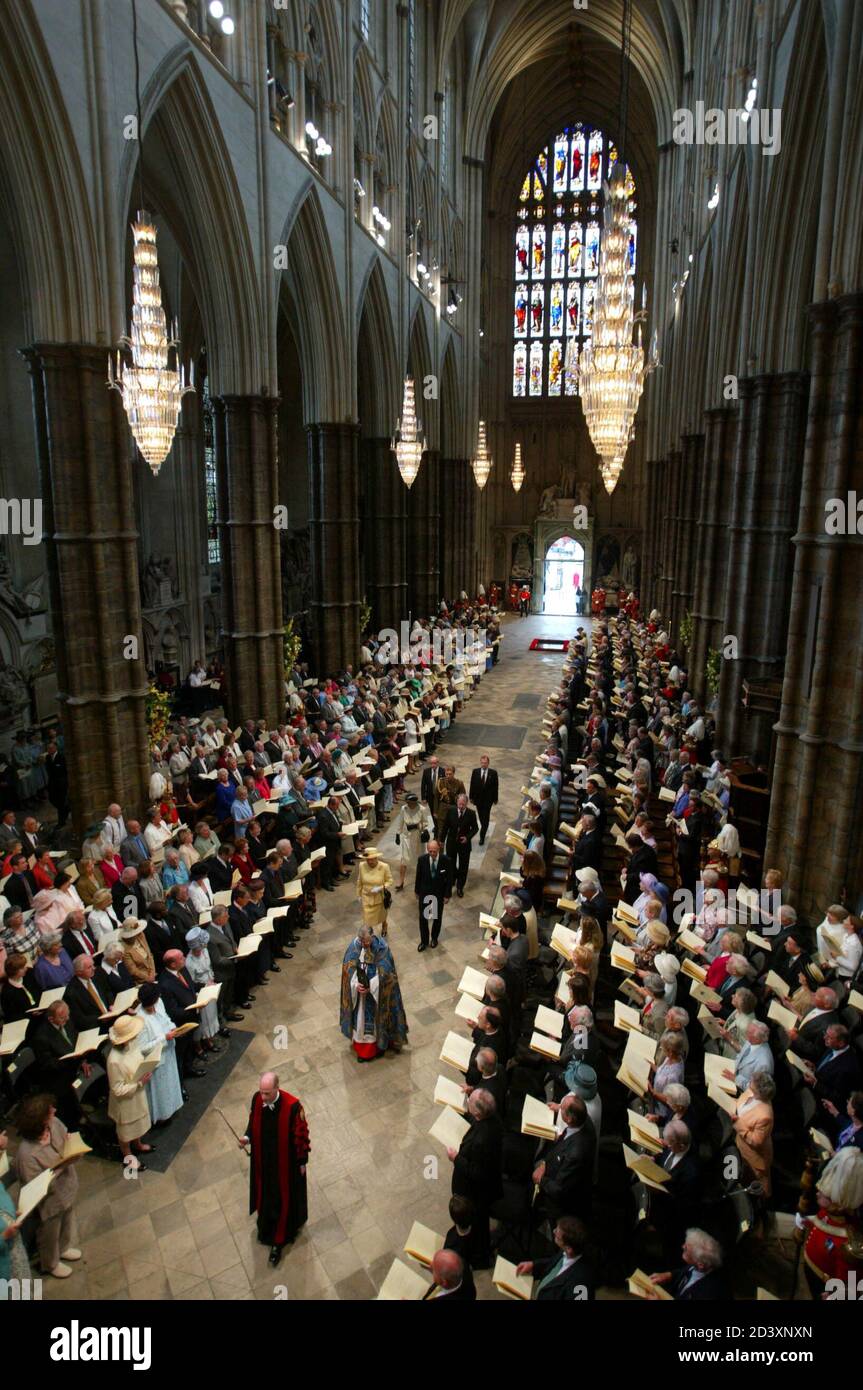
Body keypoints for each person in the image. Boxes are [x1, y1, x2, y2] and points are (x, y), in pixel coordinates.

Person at [239, 1071, 310, 1266]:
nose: (263, 1097)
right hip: (263, 1162)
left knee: (282, 1199)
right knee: (266, 1196)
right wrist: (247, 1137)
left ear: (277, 1088)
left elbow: (301, 1136)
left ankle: (279, 1241)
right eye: (261, 1092)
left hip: (284, 1166)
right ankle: (266, 1229)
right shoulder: (257, 1099)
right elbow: (252, 1121)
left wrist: (302, 1162)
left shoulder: (293, 1107)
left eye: (267, 1093)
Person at [14, 1095, 83, 1279]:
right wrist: (63, 1165)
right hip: (48, 1200)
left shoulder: (54, 1124)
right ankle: (50, 1263)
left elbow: (64, 1134)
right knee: (49, 1233)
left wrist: (71, 1144)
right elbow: (34, 1184)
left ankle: (64, 1248)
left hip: (66, 1186)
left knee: (67, 1220)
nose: (54, 1112)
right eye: (49, 1111)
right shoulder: (26, 1154)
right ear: (40, 1120)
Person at [446, 1089, 503, 1268]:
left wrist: (456, 1158)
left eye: (469, 1100)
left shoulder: (481, 1140)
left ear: (478, 1112)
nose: (467, 1100)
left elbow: (477, 1172)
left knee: (476, 1223)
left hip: (475, 1191)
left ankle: (479, 1257)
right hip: (486, 1183)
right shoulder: (493, 1119)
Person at [339, 924, 408, 1059]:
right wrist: (355, 984)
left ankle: (380, 1045)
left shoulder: (382, 949)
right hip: (360, 998)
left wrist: (372, 985)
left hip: (377, 996)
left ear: (372, 937)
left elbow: (388, 974)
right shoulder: (353, 948)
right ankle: (364, 1051)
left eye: (368, 941)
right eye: (363, 942)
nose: (365, 944)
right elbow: (348, 971)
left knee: (378, 1022)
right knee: (361, 1021)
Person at [106, 1012, 155, 1169]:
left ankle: (138, 1144)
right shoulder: (114, 1060)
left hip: (137, 1095)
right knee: (125, 1131)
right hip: (125, 1101)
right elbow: (117, 1089)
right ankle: (127, 1155)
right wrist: (139, 1084)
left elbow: (138, 1058)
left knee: (138, 1123)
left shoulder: (131, 1045)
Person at [137, 981, 185, 1125]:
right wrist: (164, 1037)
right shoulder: (141, 1019)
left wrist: (173, 1029)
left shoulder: (159, 1004)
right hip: (156, 1058)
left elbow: (166, 1019)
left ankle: (173, 1106)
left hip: (168, 1050)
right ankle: (161, 1116)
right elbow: (143, 1047)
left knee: (171, 1082)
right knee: (161, 1090)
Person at [516, 1215, 595, 1301]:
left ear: (569, 1249)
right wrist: (533, 1265)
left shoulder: (580, 1283)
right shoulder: (569, 1251)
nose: (553, 1231)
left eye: (557, 1235)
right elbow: (553, 1263)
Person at [648, 1229, 728, 1300]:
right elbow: (686, 1271)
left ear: (700, 1264)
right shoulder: (700, 1265)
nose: (682, 1246)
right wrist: (669, 1275)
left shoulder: (708, 1293)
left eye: (686, 1249)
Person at [732, 1069, 775, 1196]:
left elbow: (756, 1141)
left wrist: (737, 1123)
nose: (749, 1084)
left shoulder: (765, 1115)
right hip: (739, 1142)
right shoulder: (751, 1092)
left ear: (760, 1092)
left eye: (752, 1084)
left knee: (751, 1185)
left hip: (752, 1156)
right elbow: (739, 1104)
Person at [414, 839, 454, 952]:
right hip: (425, 893)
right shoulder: (422, 860)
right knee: (423, 918)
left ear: (439, 849)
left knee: (436, 917)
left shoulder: (446, 860)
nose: (432, 854)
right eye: (430, 851)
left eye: (434, 851)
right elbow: (418, 876)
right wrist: (417, 891)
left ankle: (434, 938)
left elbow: (449, 879)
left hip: (438, 894)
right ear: (427, 849)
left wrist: (447, 895)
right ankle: (424, 941)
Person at [392, 791, 433, 890]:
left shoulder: (422, 809)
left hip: (418, 837)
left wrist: (420, 827)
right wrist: (398, 834)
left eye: (412, 803)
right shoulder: (403, 809)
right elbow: (400, 821)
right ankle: (401, 881)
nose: (410, 805)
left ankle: (423, 880)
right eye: (409, 803)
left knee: (421, 859)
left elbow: (426, 823)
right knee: (404, 860)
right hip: (407, 837)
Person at [443, 793, 479, 898]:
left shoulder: (471, 814)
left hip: (464, 845)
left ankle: (460, 887)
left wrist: (467, 837)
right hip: (451, 843)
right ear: (457, 802)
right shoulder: (451, 810)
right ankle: (453, 879)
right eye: (459, 804)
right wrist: (441, 840)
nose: (461, 806)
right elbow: (446, 826)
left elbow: (475, 828)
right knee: (451, 864)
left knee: (463, 867)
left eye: (463, 804)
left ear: (466, 803)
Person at [356, 846, 393, 936]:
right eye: (367, 859)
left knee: (382, 915)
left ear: (376, 857)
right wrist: (359, 895)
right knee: (367, 918)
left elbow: (390, 881)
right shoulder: (362, 866)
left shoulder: (384, 867)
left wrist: (381, 887)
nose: (370, 862)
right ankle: (369, 931)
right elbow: (359, 880)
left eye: (372, 859)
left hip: (379, 897)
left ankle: (384, 925)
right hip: (366, 896)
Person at [469, 755, 498, 845]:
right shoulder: (475, 771)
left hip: (488, 801)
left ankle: (482, 836)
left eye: (485, 763)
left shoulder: (493, 773)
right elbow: (472, 785)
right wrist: (471, 797)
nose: (483, 764)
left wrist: (495, 799)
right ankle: (484, 827)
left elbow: (496, 787)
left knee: (486, 818)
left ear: (488, 763)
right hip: (478, 800)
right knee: (481, 817)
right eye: (482, 763)